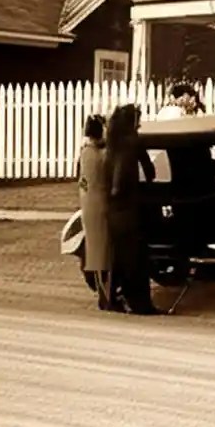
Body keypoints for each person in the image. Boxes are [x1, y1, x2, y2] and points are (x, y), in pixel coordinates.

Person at [105, 103, 161, 315]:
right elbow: (148, 171)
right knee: (137, 260)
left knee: (119, 259)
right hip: (128, 210)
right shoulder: (132, 143)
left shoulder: (111, 143)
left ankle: (113, 299)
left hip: (113, 211)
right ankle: (141, 305)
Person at [77, 114, 115, 310]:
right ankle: (106, 296)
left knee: (95, 252)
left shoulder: (85, 153)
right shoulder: (102, 155)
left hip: (87, 204)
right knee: (103, 253)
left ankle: (103, 293)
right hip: (101, 205)